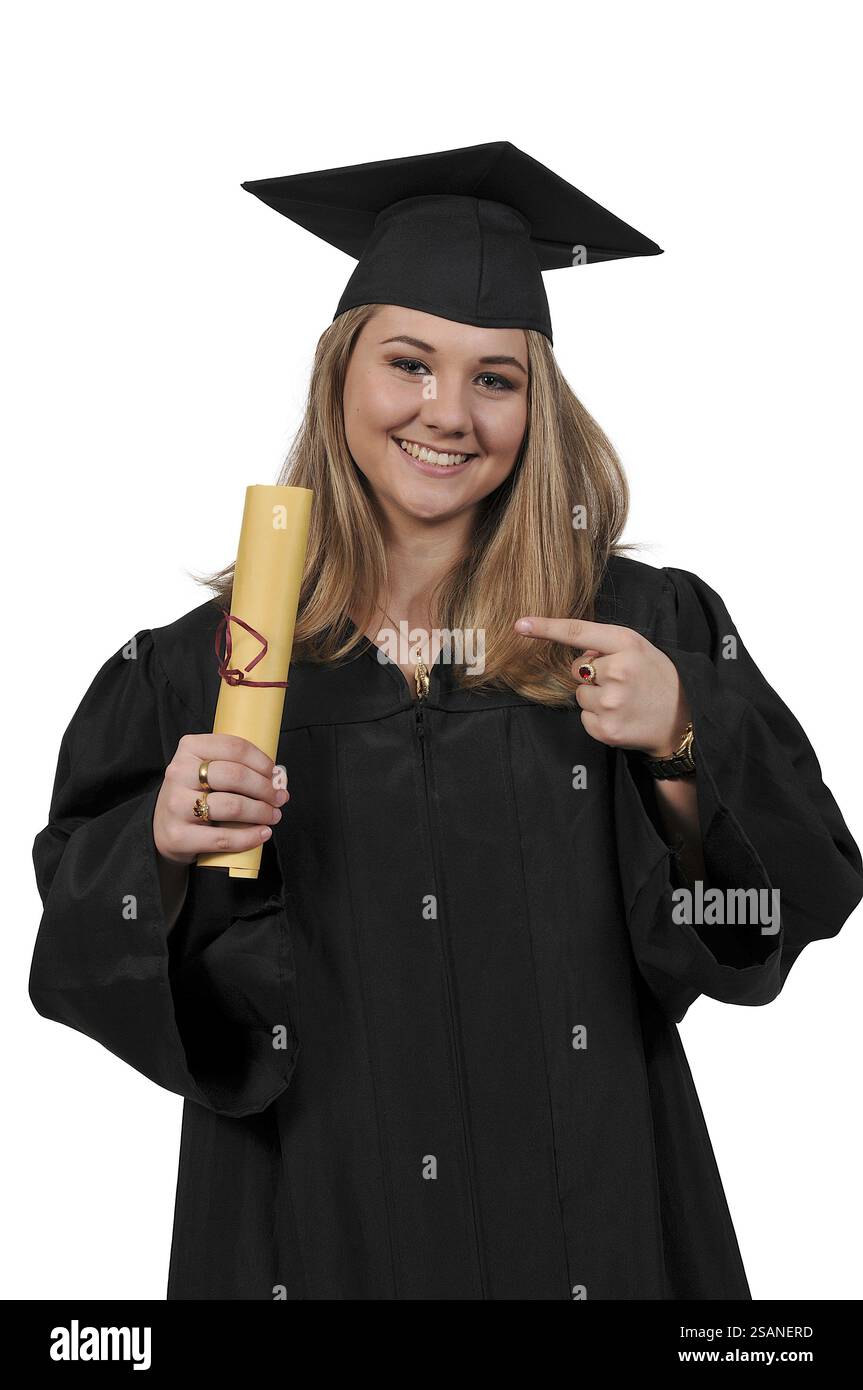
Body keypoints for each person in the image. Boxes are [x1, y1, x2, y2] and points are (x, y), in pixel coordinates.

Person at [30, 143, 863, 1300]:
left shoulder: (635, 625)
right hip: (311, 1227)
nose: (447, 413)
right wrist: (160, 856)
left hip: (595, 1216)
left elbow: (779, 913)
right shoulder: (202, 671)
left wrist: (679, 743)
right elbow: (83, 945)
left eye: (494, 378)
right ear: (339, 379)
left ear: (537, 404)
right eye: (408, 364)